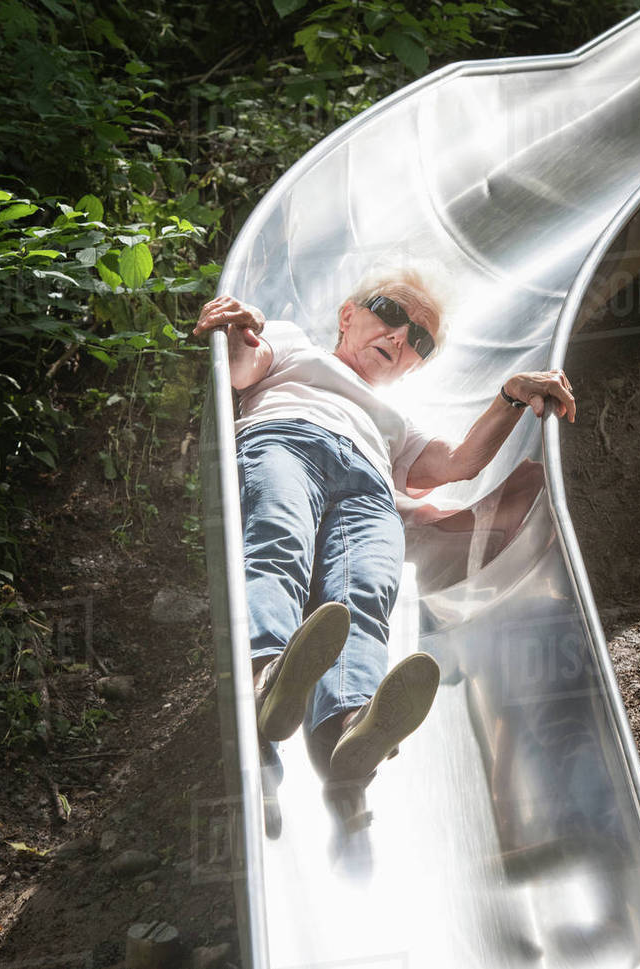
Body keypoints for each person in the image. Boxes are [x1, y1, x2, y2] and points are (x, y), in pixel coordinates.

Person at [193, 268, 576, 830]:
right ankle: (264, 675)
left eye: (418, 341)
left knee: (366, 594)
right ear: (349, 315)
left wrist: (509, 396)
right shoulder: (294, 343)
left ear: (416, 365)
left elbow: (456, 464)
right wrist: (235, 329)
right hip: (287, 439)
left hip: (369, 488)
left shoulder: (396, 424)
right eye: (391, 313)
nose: (401, 338)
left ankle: (351, 725)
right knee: (279, 541)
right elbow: (244, 367)